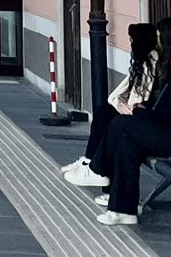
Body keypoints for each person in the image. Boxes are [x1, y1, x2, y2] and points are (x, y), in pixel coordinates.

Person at [68, 15, 171, 226]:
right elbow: (168, 111)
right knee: (127, 143)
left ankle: (98, 170)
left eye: (160, 38)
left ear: (169, 42)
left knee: (121, 124)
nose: (157, 44)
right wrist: (143, 109)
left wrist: (137, 113)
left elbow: (168, 117)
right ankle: (123, 210)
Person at [60, 24, 160, 184]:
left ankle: (96, 169)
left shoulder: (151, 62)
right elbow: (126, 91)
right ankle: (89, 163)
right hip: (140, 114)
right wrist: (121, 103)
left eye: (132, 39)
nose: (130, 43)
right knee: (104, 113)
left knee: (111, 121)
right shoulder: (144, 61)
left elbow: (142, 95)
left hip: (144, 119)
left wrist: (126, 106)